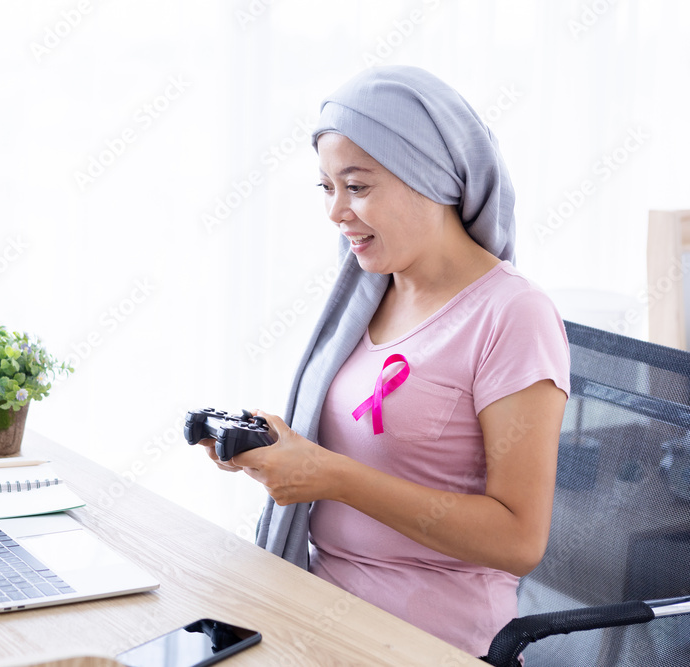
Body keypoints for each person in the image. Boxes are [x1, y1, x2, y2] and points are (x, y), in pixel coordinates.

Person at [195, 66, 570, 657]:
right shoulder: (370, 294)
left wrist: (333, 477)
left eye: (358, 186)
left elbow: (520, 538)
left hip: (426, 641)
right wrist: (285, 452)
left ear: (434, 179)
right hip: (314, 607)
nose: (336, 211)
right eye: (326, 188)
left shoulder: (513, 314)